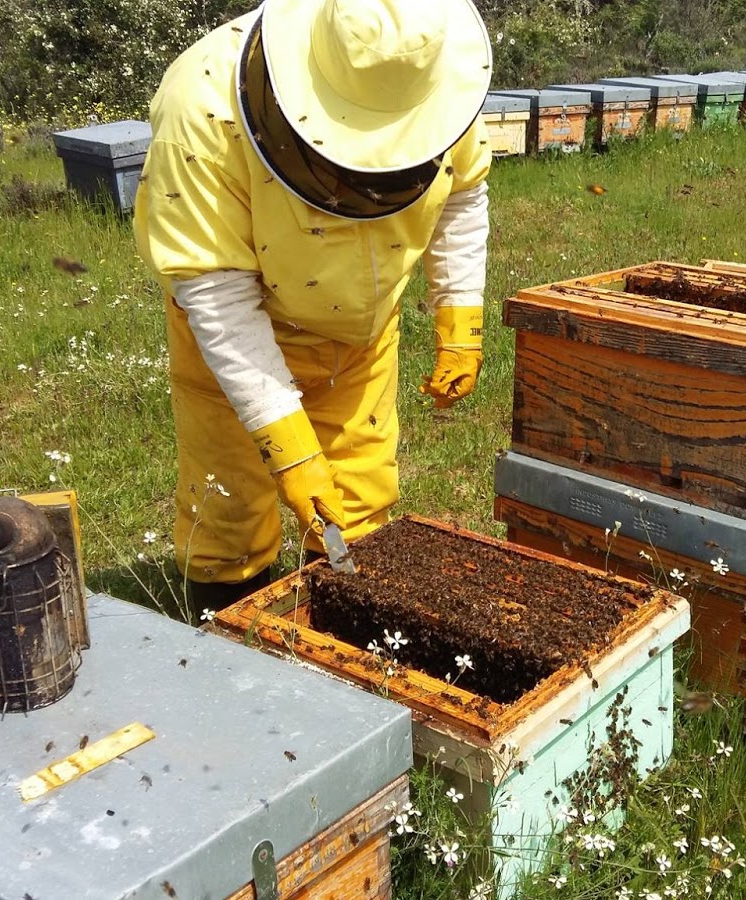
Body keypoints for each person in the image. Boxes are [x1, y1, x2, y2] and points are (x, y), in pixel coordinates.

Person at [134, 0, 494, 612]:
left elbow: (462, 193)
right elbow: (216, 292)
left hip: (362, 334)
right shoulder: (201, 106)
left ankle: (341, 637)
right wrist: (289, 448)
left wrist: (461, 316)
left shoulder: (441, 77)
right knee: (228, 510)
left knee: (359, 506)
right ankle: (224, 645)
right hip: (241, 333)